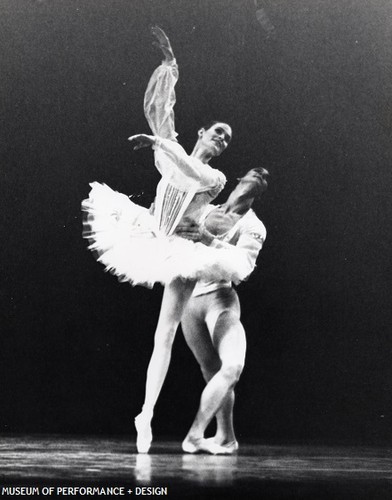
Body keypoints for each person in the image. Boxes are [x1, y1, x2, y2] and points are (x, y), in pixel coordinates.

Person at [82, 27, 254, 454]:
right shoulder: (172, 149)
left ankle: (146, 416)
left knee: (167, 334)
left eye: (227, 139)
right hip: (151, 233)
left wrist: (161, 142)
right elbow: (160, 112)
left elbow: (188, 169)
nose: (221, 140)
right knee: (162, 337)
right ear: (202, 131)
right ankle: (145, 414)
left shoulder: (214, 178)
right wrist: (170, 66)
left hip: (179, 250)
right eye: (217, 131)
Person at [176, 167, 269, 455]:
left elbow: (243, 266)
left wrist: (207, 238)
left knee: (232, 367)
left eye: (265, 177)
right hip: (190, 302)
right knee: (212, 371)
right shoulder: (204, 209)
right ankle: (226, 438)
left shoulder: (253, 226)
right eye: (255, 172)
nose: (261, 174)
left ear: (260, 191)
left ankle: (194, 435)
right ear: (240, 179)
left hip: (221, 299)